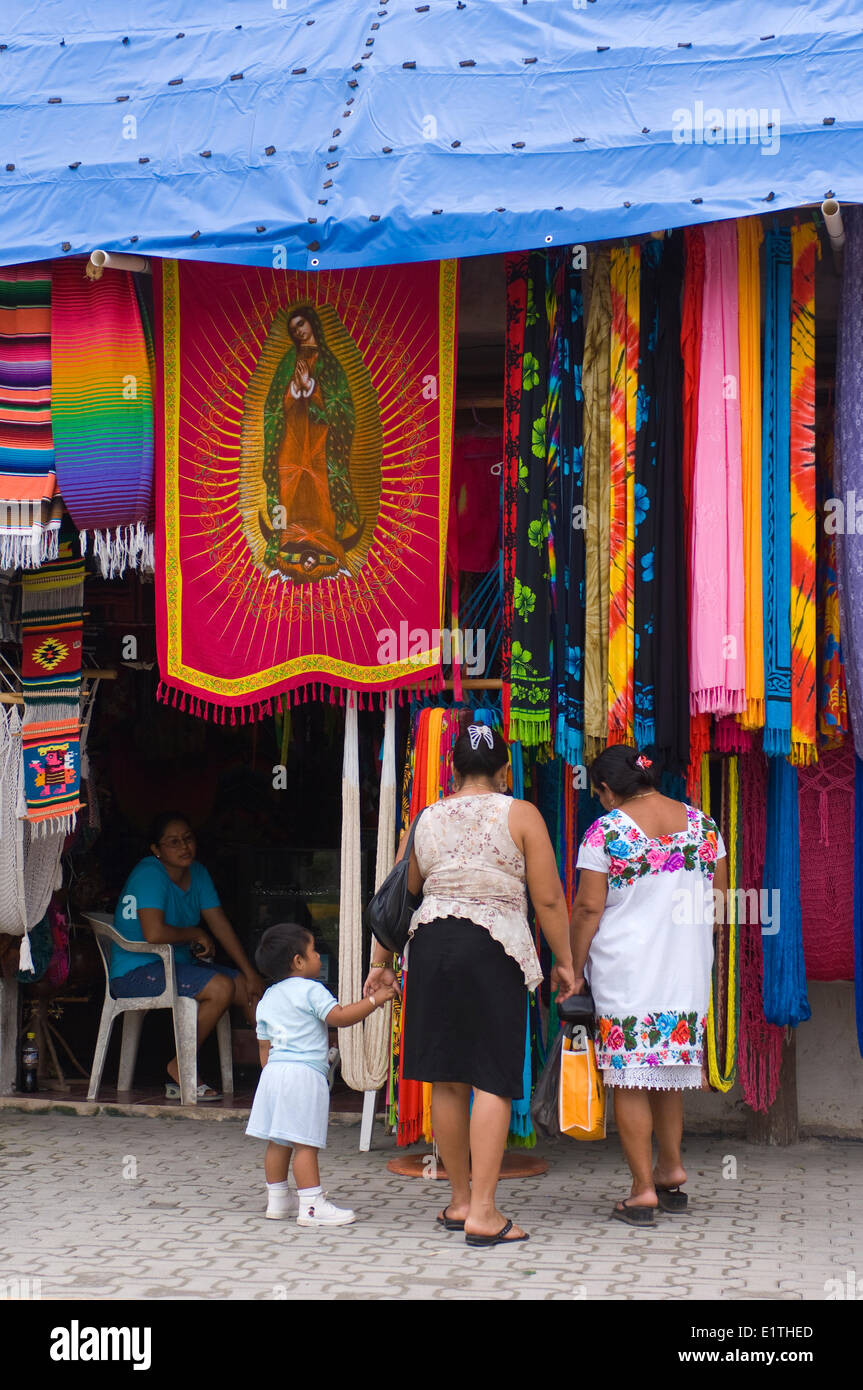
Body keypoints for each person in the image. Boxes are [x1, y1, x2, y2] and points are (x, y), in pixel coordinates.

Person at [363, 724, 577, 1248]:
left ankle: (459, 1200)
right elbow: (548, 900)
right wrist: (566, 963)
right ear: (504, 771)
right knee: (493, 1080)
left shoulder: (426, 818)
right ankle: (484, 1212)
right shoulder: (520, 813)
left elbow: (398, 900)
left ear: (451, 772)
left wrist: (379, 964)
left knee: (449, 1079)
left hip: (433, 948)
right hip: (494, 948)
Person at [570, 745, 728, 1227]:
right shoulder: (705, 826)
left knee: (629, 1079)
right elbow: (719, 902)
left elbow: (588, 910)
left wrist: (572, 969)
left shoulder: (606, 832)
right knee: (668, 1074)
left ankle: (642, 1190)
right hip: (684, 973)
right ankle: (671, 1169)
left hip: (628, 973)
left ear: (607, 789)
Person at [247, 922, 397, 1226]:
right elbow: (339, 1018)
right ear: (298, 961)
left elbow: (264, 1047)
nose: (319, 956)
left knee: (278, 1140)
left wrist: (273, 1076)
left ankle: (277, 1201)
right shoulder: (311, 990)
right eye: (314, 951)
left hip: (273, 1074)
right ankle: (312, 1205)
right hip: (303, 1075)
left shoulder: (267, 999)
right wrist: (374, 1001)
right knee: (305, 1143)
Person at [110, 812, 267, 1101]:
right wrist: (195, 933)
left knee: (248, 989)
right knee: (220, 987)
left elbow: (219, 924)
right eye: (173, 842)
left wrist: (250, 972)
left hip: (177, 966)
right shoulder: (149, 874)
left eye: (188, 839)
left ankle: (277, 1072)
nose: (184, 847)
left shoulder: (198, 873)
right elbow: (154, 932)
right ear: (156, 850)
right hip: (136, 972)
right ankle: (180, 1066)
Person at [261, 305, 361, 580]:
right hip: (291, 436)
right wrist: (295, 389)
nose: (298, 331)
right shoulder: (287, 362)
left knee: (321, 485)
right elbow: (272, 407)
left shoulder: (330, 363)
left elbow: (343, 407)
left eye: (301, 324)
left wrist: (313, 388)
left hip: (322, 439)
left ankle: (325, 541)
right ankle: (288, 539)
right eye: (293, 328)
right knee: (288, 482)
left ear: (313, 324)